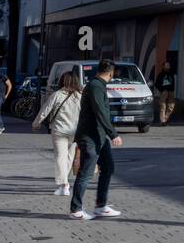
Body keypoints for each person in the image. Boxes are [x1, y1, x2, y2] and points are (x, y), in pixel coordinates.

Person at [70, 59, 122, 220]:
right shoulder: (95, 86)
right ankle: (76, 209)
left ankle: (101, 206)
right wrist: (113, 134)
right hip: (89, 136)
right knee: (86, 172)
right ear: (111, 72)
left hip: (99, 136)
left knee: (108, 167)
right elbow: (100, 111)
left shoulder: (98, 86)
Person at [32, 71, 82, 196]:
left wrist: (36, 123)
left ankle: (64, 185)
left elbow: (45, 110)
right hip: (75, 132)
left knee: (60, 156)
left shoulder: (57, 95)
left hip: (59, 131)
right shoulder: (80, 96)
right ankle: (65, 184)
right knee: (69, 157)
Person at [155, 60, 176, 126]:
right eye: (166, 65)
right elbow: (156, 84)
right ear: (163, 66)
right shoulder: (160, 75)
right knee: (162, 106)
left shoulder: (171, 73)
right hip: (164, 91)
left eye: (169, 65)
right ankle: (162, 121)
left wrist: (172, 89)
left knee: (171, 106)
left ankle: (165, 119)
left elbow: (173, 82)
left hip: (171, 91)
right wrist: (161, 90)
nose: (168, 66)